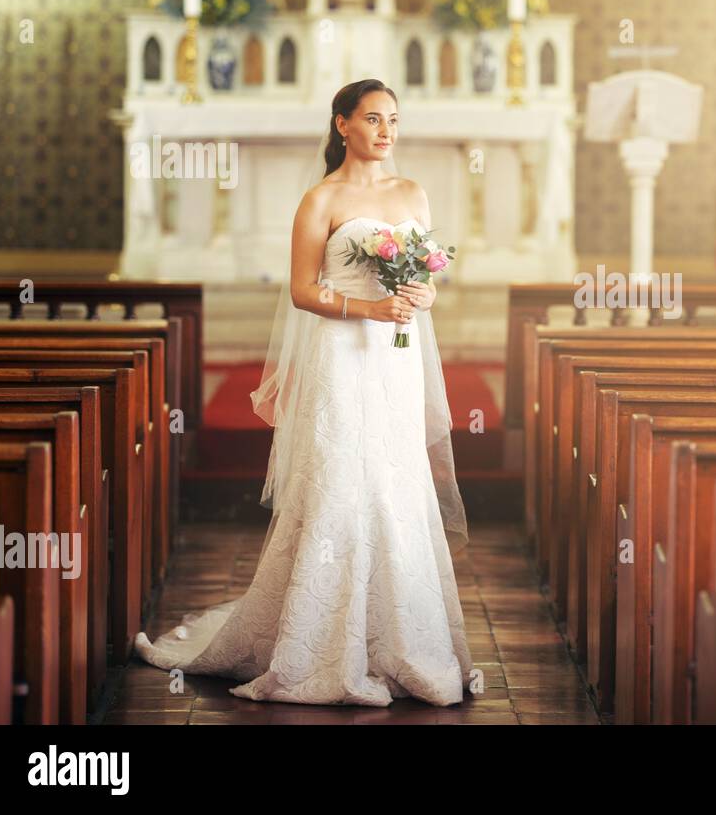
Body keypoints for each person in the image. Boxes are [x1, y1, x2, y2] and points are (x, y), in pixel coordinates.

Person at [134, 79, 474, 707]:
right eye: (372, 118)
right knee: (341, 478)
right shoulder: (321, 199)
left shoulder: (412, 194)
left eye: (393, 119)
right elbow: (301, 291)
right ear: (342, 124)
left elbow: (427, 276)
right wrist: (367, 309)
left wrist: (425, 295)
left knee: (393, 480)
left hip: (395, 361)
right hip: (341, 357)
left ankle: (399, 639)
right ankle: (317, 644)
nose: (385, 130)